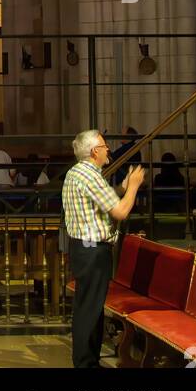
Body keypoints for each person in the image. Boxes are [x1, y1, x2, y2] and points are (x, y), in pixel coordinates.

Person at [62, 129, 146, 369]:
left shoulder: (77, 173)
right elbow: (119, 211)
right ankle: (86, 364)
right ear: (94, 151)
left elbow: (105, 198)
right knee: (90, 309)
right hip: (92, 251)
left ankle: (88, 362)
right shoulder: (90, 175)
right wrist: (134, 187)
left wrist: (122, 187)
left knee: (90, 307)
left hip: (83, 249)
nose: (108, 148)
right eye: (104, 144)